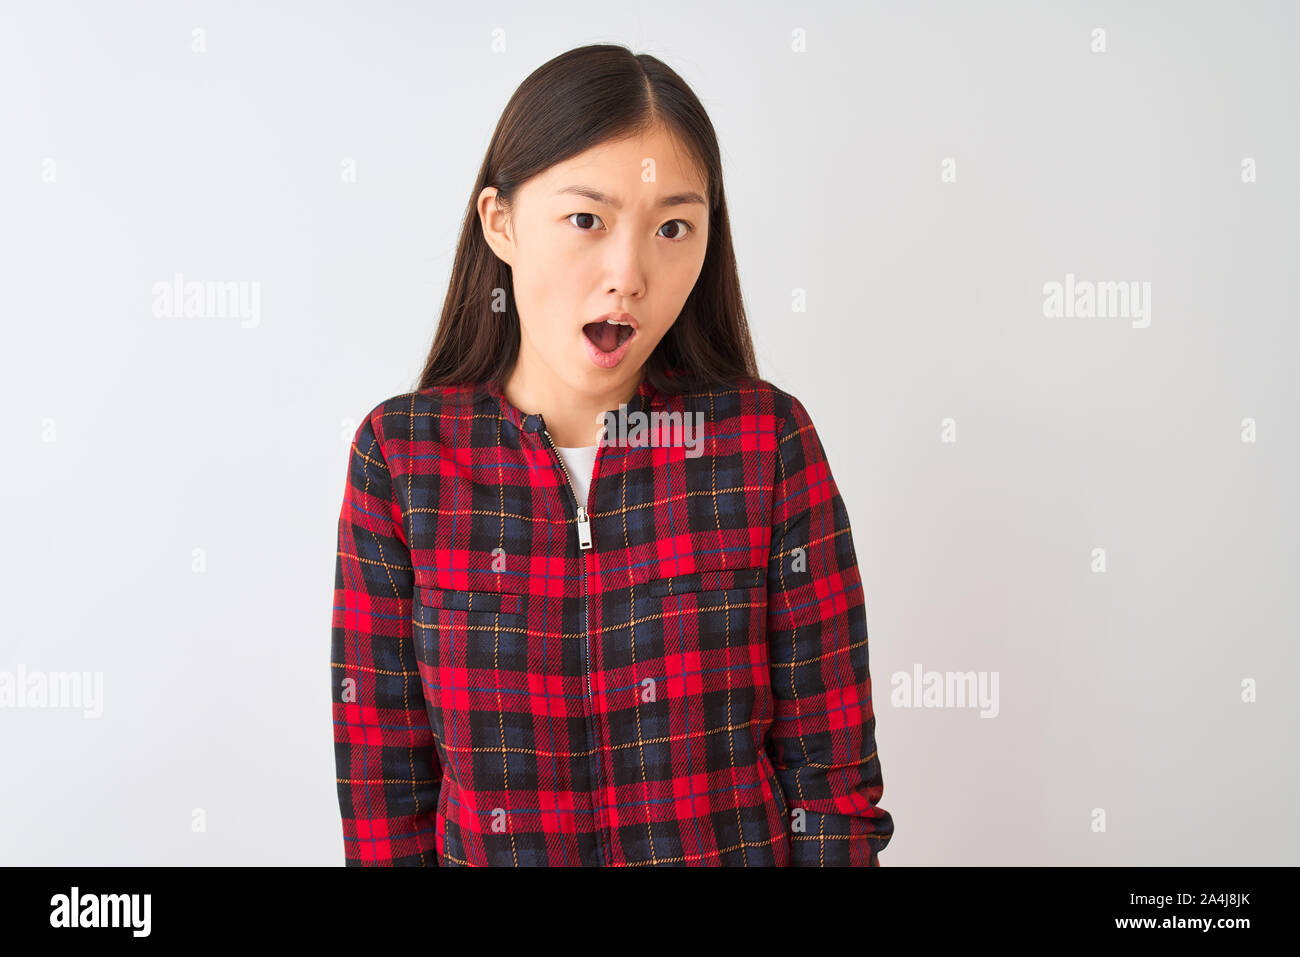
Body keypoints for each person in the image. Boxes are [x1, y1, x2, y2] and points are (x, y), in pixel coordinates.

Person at [331, 43, 894, 866]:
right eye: (587, 219)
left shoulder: (766, 446)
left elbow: (832, 786)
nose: (628, 274)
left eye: (673, 227)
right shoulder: (402, 459)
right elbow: (385, 803)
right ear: (502, 223)